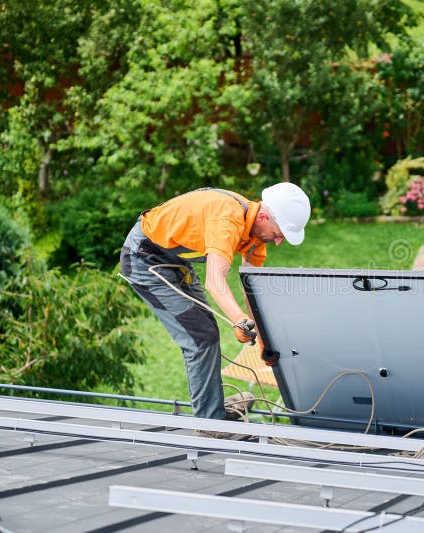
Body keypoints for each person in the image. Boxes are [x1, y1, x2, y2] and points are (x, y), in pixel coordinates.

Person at [120, 183, 311, 437]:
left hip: (176, 262)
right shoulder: (228, 218)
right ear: (264, 216)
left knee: (206, 331)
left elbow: (250, 291)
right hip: (144, 259)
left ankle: (214, 411)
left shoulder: (256, 236)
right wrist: (239, 320)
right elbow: (215, 281)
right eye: (278, 233)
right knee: (201, 337)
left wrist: (264, 340)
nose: (278, 242)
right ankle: (211, 425)